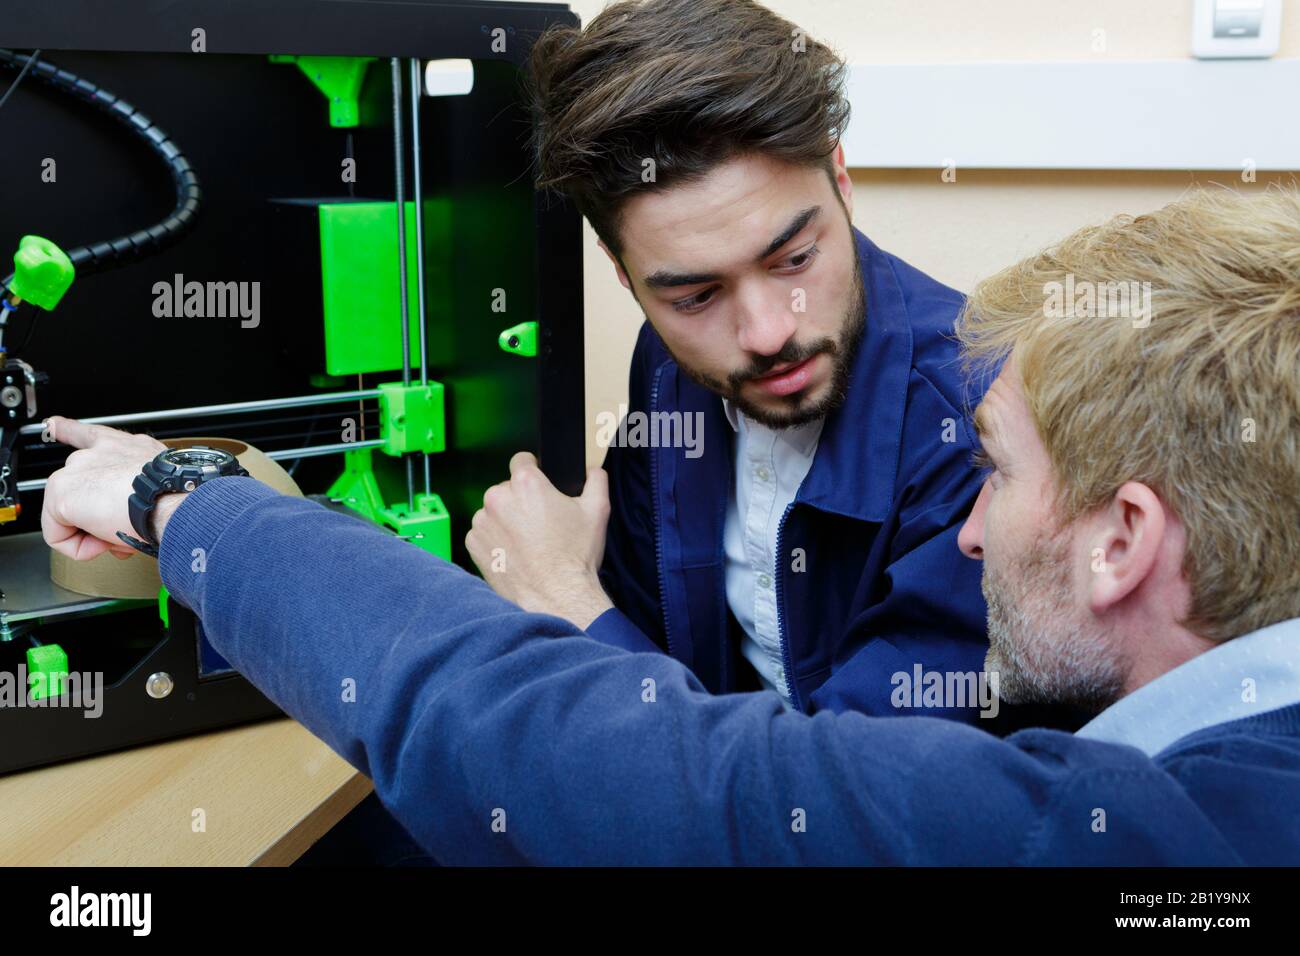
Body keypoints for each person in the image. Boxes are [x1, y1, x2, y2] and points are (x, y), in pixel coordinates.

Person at [42, 188, 1300, 864]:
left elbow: (711, 788)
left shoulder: (1148, 838)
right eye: (688, 291)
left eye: (994, 473)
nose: (756, 331)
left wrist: (188, 502)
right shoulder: (667, 383)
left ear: (1124, 536)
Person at [456, 0, 1012, 724]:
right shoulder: (667, 361)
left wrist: (565, 601)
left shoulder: (982, 428)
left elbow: (848, 801)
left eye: (795, 259)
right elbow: (643, 617)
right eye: (695, 295)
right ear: (625, 276)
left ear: (841, 182)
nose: (767, 332)